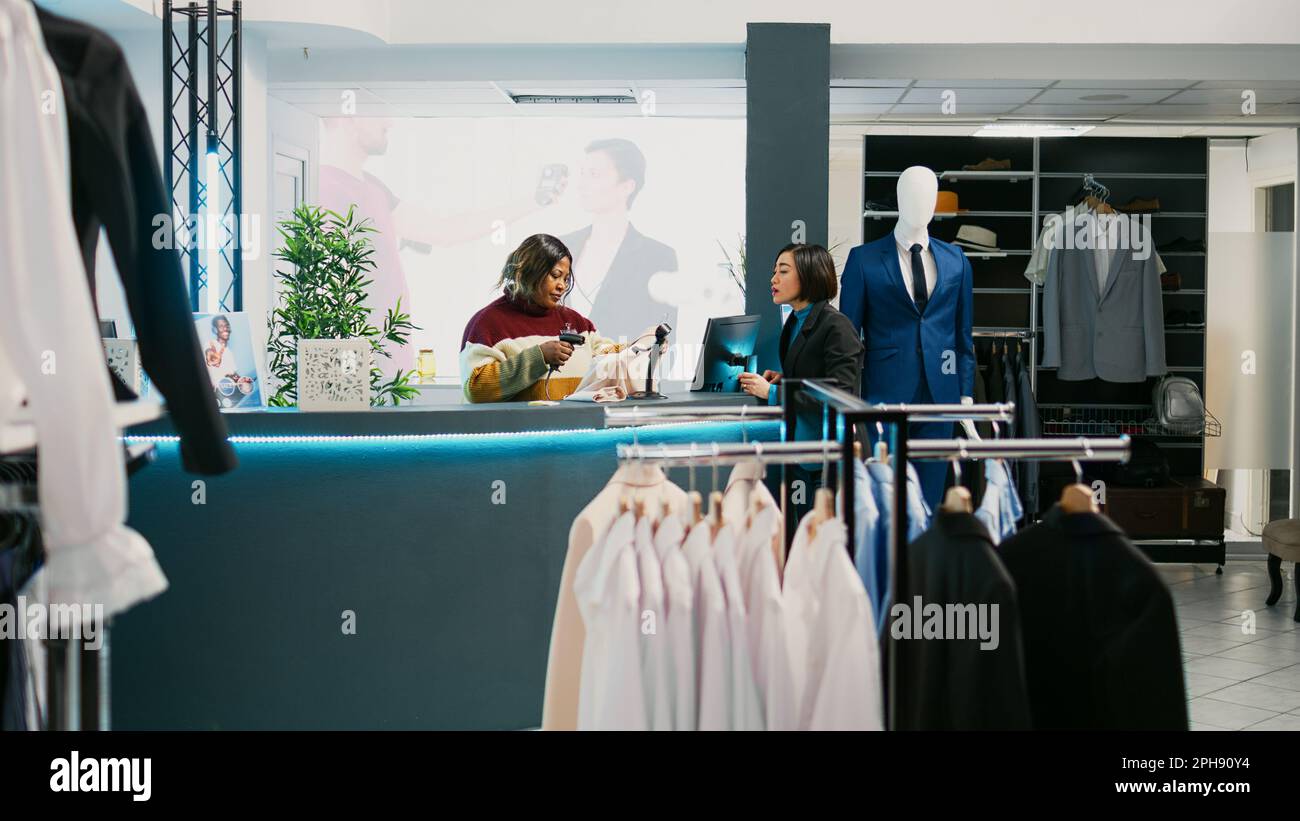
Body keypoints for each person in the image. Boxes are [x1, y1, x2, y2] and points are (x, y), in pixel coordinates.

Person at [319, 117, 565, 375]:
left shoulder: (373, 187)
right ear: (346, 118)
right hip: (360, 356)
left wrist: (535, 201)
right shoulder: (326, 186)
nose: (389, 122)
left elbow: (445, 230)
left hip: (388, 354)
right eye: (377, 112)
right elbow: (332, 289)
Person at [738, 244, 864, 520]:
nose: (774, 279)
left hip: (829, 462)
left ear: (809, 275)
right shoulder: (794, 322)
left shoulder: (837, 326)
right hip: (804, 456)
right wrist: (788, 379)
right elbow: (816, 376)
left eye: (783, 271)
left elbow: (840, 395)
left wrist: (773, 393)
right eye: (774, 272)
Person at [460, 234, 626, 403]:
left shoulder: (578, 322)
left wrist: (642, 346)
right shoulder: (487, 323)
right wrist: (539, 357)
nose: (562, 285)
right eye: (555, 275)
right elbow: (475, 390)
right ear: (530, 271)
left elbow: (605, 354)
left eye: (566, 279)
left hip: (576, 428)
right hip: (520, 429)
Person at [559, 138, 678, 343]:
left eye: (594, 174)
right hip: (560, 373)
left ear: (627, 186)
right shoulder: (561, 246)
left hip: (623, 372)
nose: (582, 184)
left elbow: (664, 342)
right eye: (582, 174)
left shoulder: (657, 256)